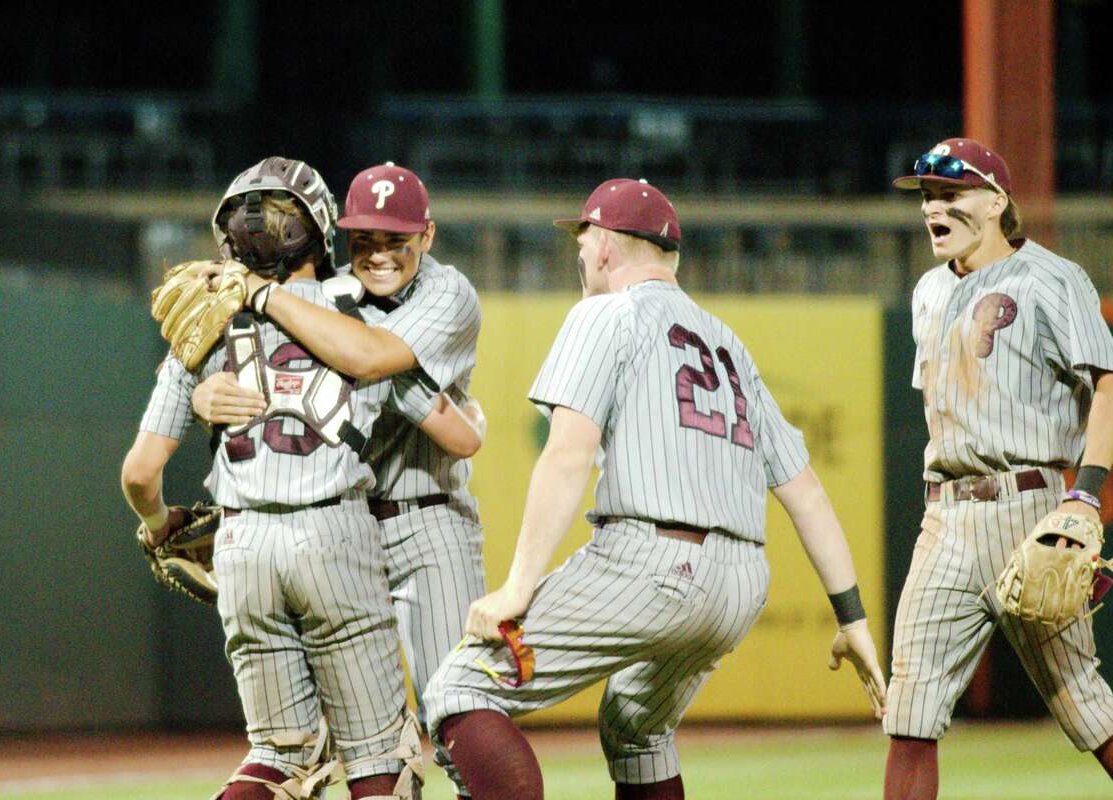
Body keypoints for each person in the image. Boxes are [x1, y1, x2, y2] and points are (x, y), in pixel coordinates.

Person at [420, 178, 887, 800]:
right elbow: (806, 493)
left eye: (583, 240)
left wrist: (519, 587)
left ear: (605, 245)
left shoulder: (605, 313)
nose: (579, 253)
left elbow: (567, 456)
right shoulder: (730, 345)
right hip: (741, 585)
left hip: (652, 563)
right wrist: (852, 617)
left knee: (459, 688)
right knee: (636, 728)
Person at [121, 157, 481, 800]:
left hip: (241, 546)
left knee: (276, 756)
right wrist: (468, 414)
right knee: (379, 759)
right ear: (323, 231)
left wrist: (161, 525)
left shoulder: (199, 326)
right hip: (334, 532)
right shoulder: (363, 316)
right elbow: (456, 433)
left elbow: (140, 473)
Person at [883, 138, 1113, 799]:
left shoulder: (1053, 277)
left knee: (1084, 704)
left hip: (1029, 507)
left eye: (950, 194)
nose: (933, 208)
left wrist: (1086, 495)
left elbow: (1108, 383)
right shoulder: (929, 291)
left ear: (994, 201)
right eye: (928, 197)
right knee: (910, 709)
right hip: (945, 516)